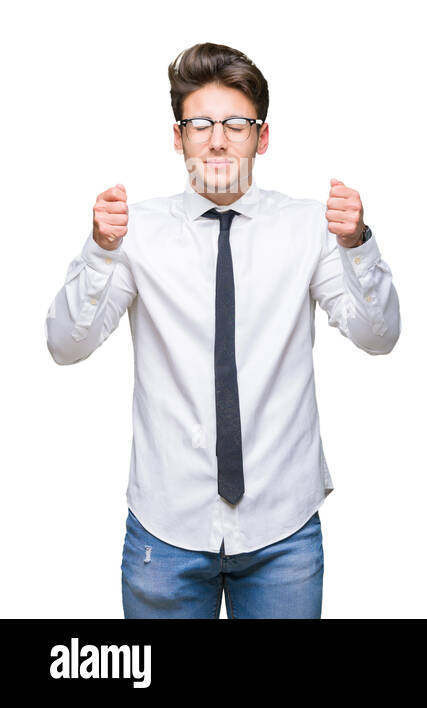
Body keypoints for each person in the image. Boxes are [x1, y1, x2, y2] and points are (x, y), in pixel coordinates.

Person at [45, 42, 401, 618]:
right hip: (164, 532)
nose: (217, 139)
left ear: (261, 137)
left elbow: (379, 335)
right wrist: (99, 252)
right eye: (200, 123)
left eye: (235, 124)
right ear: (178, 136)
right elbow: (65, 345)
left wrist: (357, 244)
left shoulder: (309, 227)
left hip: (282, 532)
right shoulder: (135, 233)